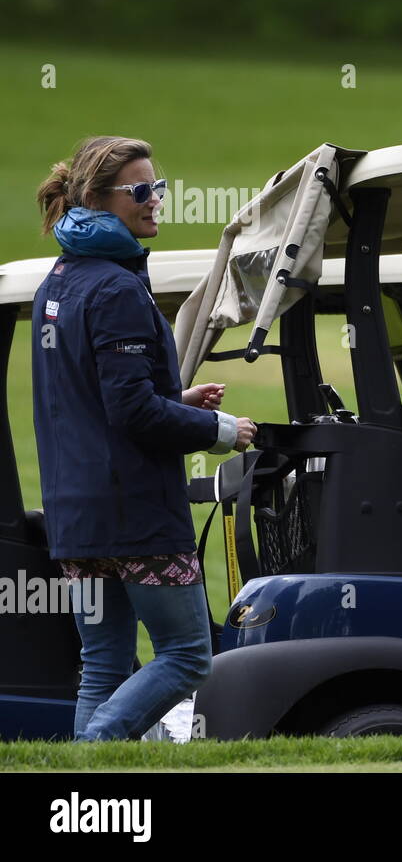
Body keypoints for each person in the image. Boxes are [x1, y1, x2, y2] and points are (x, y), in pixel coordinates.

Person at [32, 136, 257, 741]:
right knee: (186, 655)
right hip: (136, 515)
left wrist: (175, 402)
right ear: (99, 200)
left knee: (102, 667)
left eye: (158, 187)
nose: (156, 200)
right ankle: (92, 752)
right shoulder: (116, 288)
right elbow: (132, 414)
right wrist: (219, 431)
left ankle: (81, 793)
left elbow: (91, 403)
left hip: (76, 518)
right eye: (141, 191)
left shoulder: (56, 282)